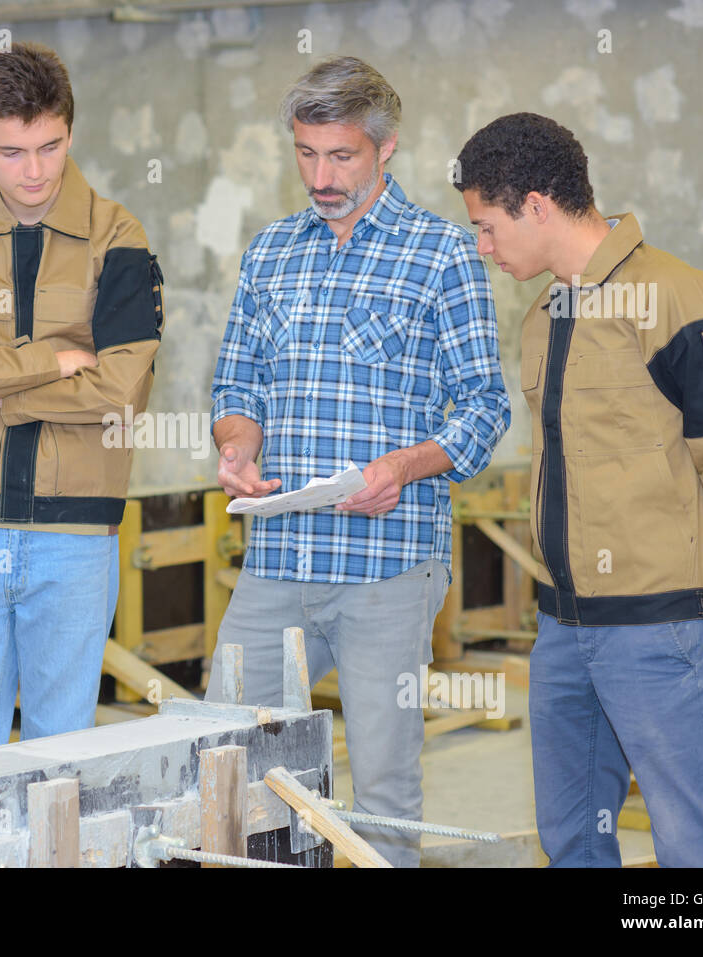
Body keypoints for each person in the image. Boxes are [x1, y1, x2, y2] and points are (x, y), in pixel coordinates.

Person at [455, 112, 703, 867]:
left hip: (657, 626)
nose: (483, 248)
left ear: (536, 205)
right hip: (564, 629)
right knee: (572, 837)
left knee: (691, 840)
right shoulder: (544, 315)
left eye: (487, 226)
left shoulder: (673, 295)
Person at [207, 56, 510, 867]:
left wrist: (403, 467)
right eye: (306, 154)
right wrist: (237, 444)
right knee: (226, 759)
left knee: (382, 793)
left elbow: (485, 407)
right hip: (277, 557)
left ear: (386, 148)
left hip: (388, 565)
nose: (321, 175)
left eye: (340, 156)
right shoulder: (271, 252)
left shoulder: (441, 254)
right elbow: (238, 384)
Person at [0, 42, 163, 757]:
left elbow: (121, 389)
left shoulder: (120, 236)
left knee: (60, 767)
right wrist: (51, 359)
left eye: (50, 146)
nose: (36, 171)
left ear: (71, 132)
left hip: (77, 539)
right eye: (12, 152)